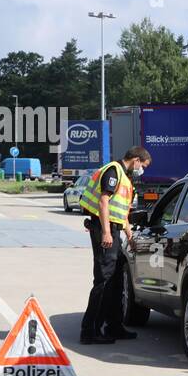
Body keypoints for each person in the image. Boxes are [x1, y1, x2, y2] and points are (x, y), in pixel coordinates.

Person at [78, 146, 151, 344]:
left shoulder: (125, 177)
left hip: (115, 231)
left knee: (117, 279)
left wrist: (130, 235)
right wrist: (107, 232)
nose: (141, 170)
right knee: (104, 280)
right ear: (136, 159)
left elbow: (122, 212)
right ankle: (90, 330)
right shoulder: (113, 171)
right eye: (142, 166)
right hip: (104, 230)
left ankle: (114, 326)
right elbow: (103, 202)